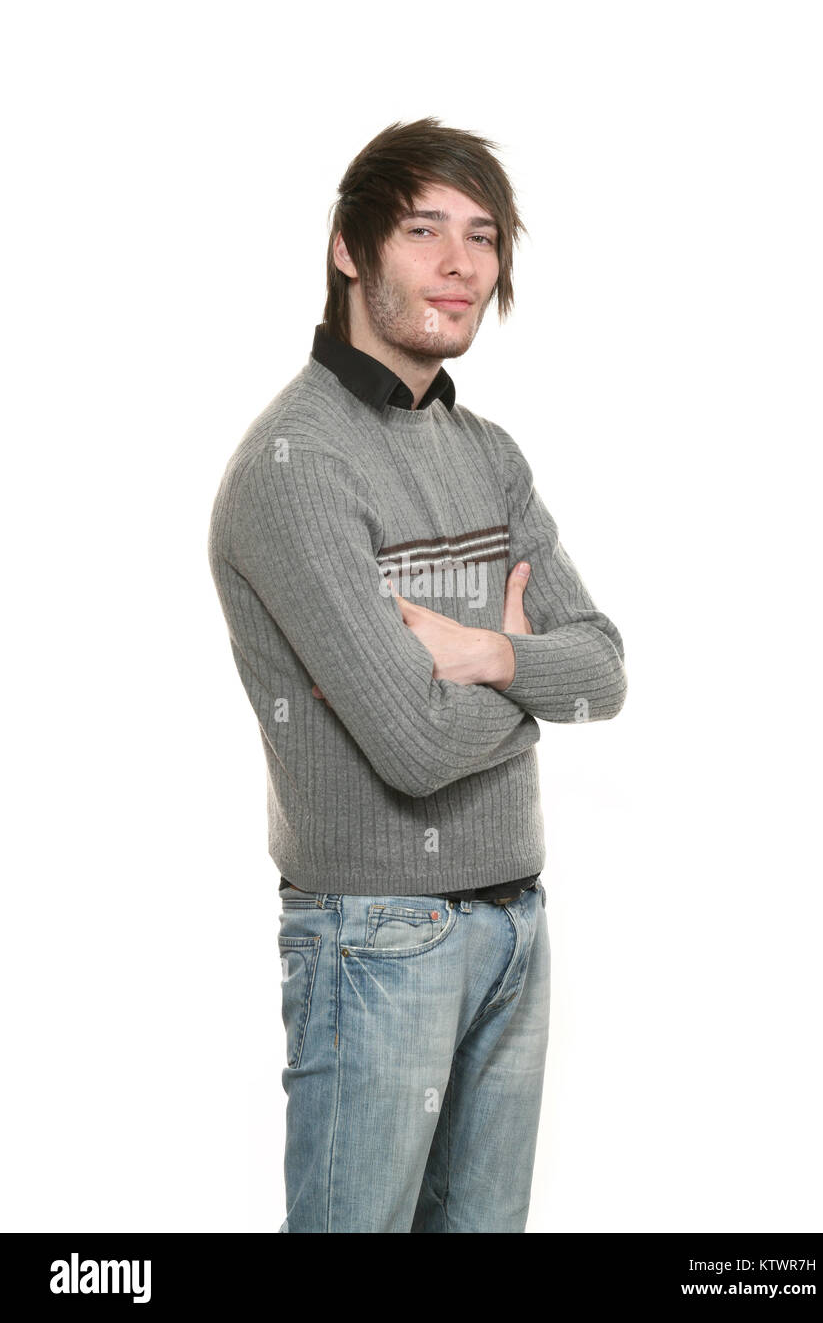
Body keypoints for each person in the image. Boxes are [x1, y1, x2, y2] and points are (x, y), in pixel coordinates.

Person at [207, 116, 627, 1232]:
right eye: (422, 229)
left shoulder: (484, 450)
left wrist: (487, 653)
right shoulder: (293, 470)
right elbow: (415, 745)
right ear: (349, 247)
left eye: (482, 238)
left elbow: (606, 669)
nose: (459, 266)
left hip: (511, 927)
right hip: (377, 939)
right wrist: (535, 685)